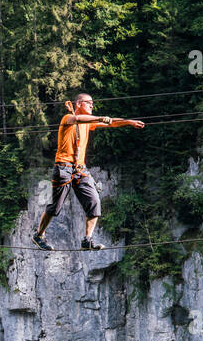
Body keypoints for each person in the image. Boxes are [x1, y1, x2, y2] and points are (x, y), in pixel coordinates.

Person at [33, 93, 145, 251]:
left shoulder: (89, 123)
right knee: (54, 207)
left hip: (80, 170)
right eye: (89, 103)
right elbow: (79, 119)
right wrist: (100, 118)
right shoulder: (68, 118)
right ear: (78, 104)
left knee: (94, 202)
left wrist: (128, 122)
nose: (92, 106)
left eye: (93, 103)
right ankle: (39, 235)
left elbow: (111, 123)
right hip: (63, 168)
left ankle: (87, 239)